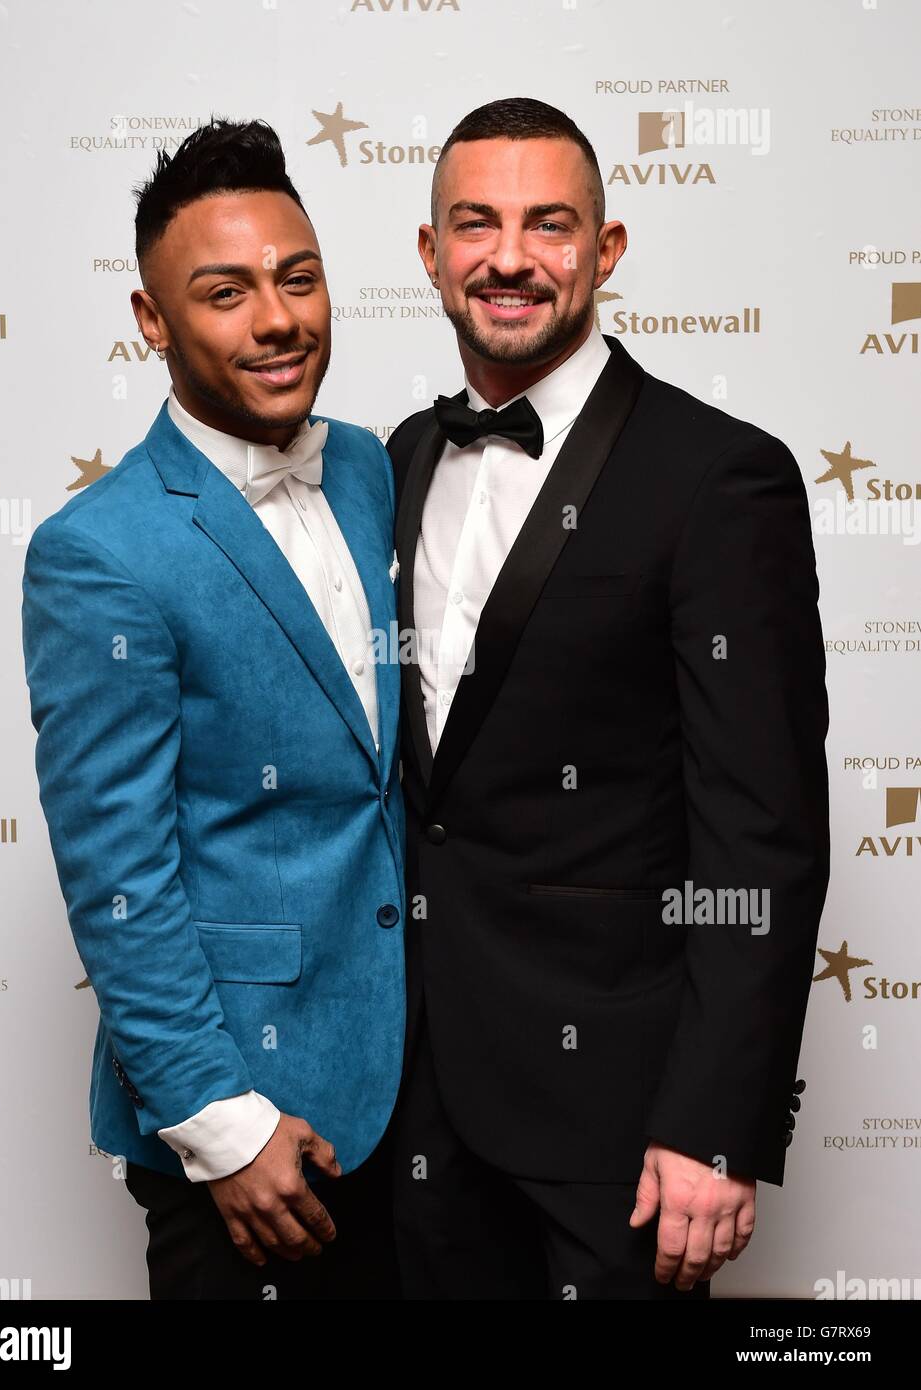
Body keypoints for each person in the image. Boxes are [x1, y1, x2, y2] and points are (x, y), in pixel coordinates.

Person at [385, 97, 830, 1300]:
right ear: (429, 254)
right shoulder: (393, 462)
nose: (510, 257)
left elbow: (763, 829)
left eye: (549, 223)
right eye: (474, 224)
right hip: (408, 1108)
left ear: (608, 248)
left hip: (622, 1124)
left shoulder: (715, 476)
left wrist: (715, 1121)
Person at [22, 118, 405, 1300]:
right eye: (224, 292)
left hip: (412, 1093)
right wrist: (217, 1121)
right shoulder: (98, 554)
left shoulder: (369, 467)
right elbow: (115, 872)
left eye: (297, 278)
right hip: (252, 1126)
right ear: (151, 320)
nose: (277, 319)